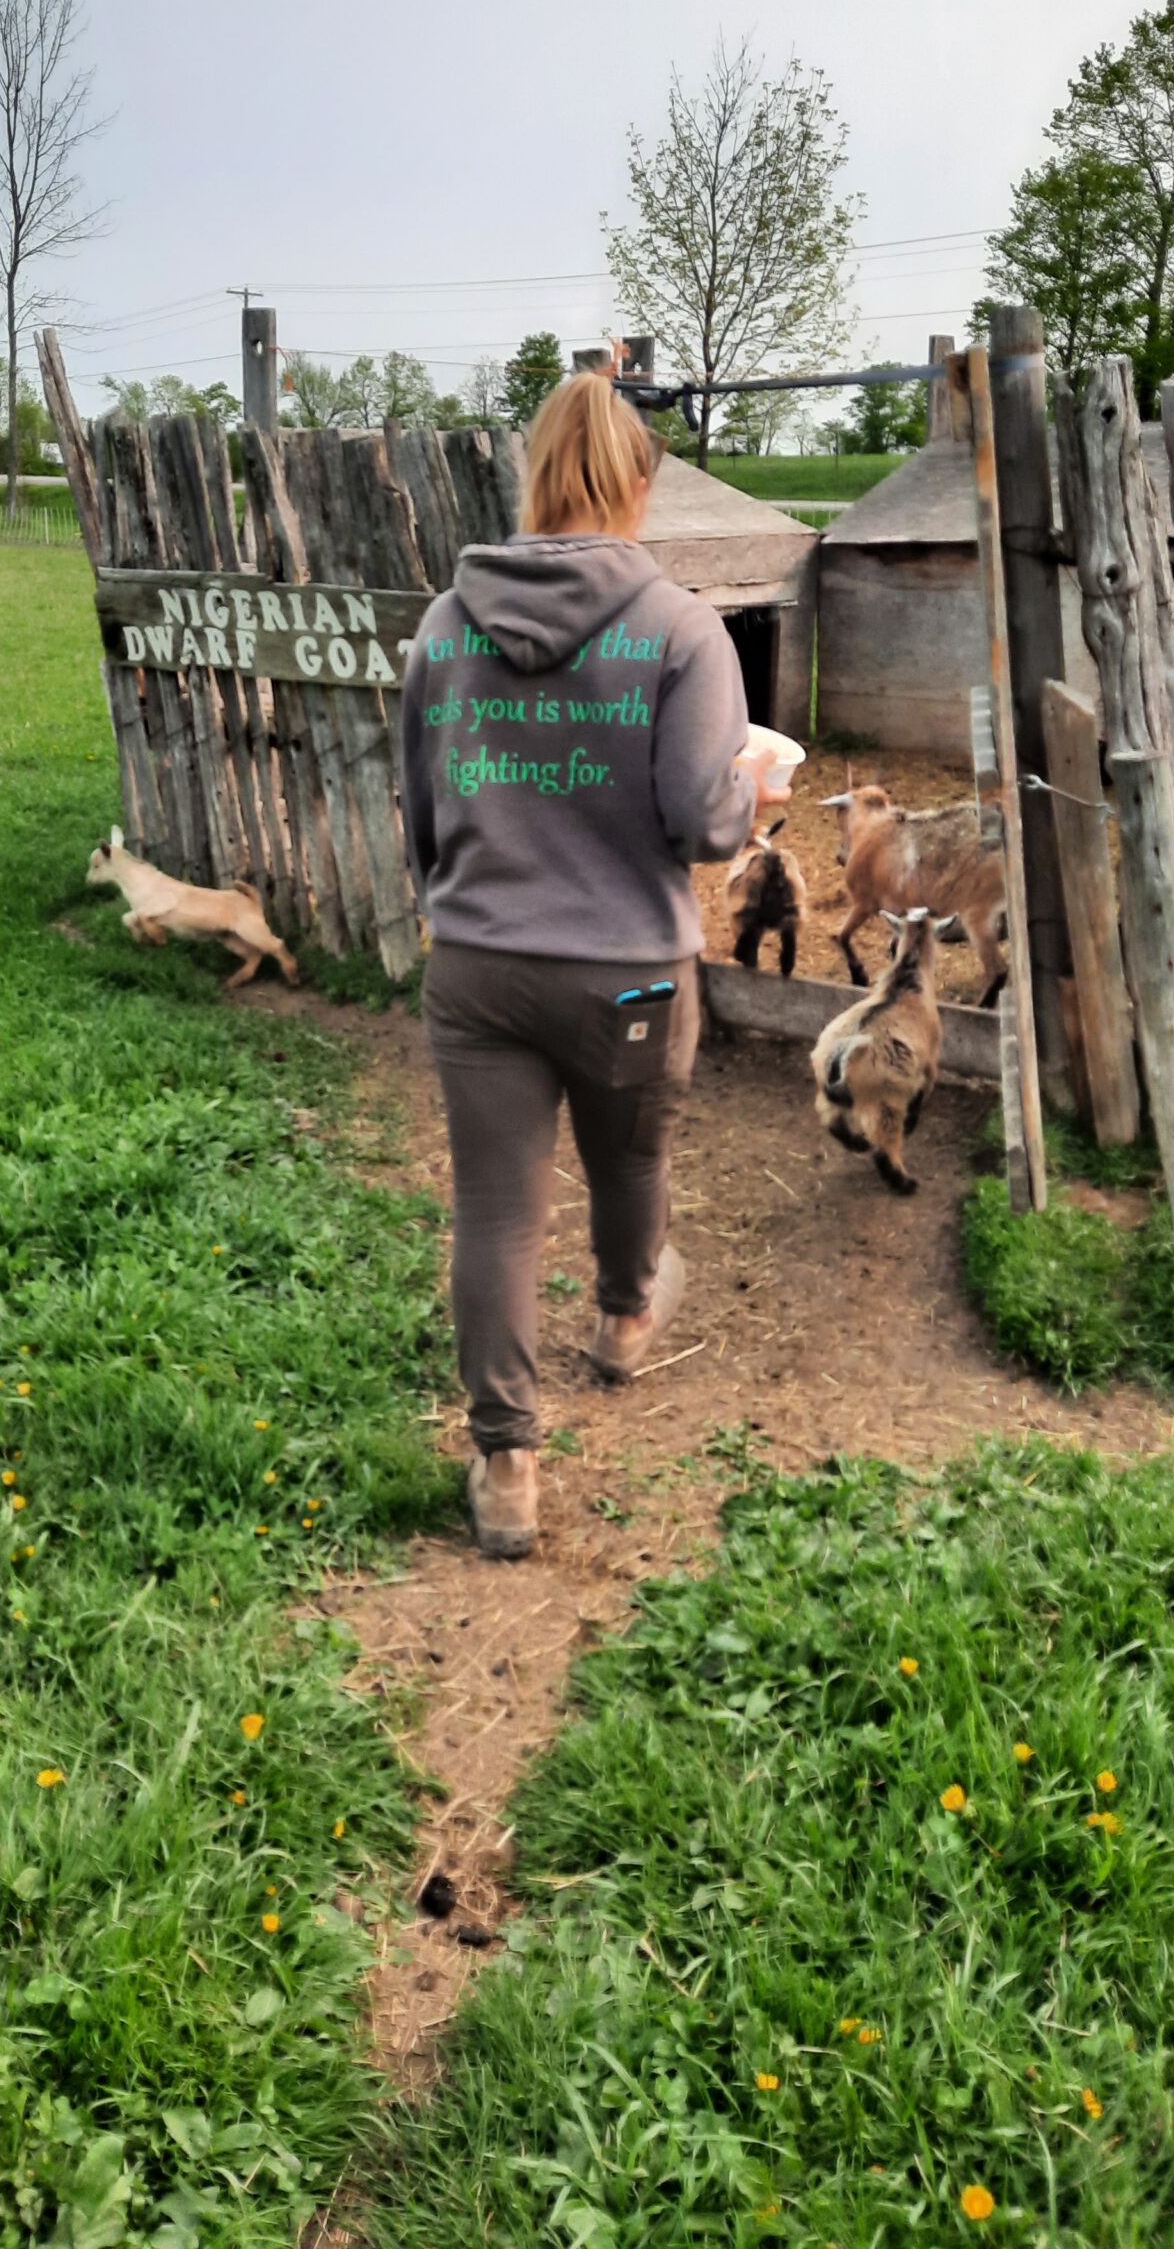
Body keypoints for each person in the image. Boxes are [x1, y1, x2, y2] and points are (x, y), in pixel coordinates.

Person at [399, 371, 788, 1559]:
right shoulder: (680, 628)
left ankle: (507, 1466)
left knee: (497, 1214)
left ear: (531, 474)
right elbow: (701, 820)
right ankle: (623, 1322)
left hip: (478, 962)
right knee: (631, 1161)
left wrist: (461, 900)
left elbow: (421, 806)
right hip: (626, 969)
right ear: (633, 485)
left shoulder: (443, 625)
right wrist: (752, 787)